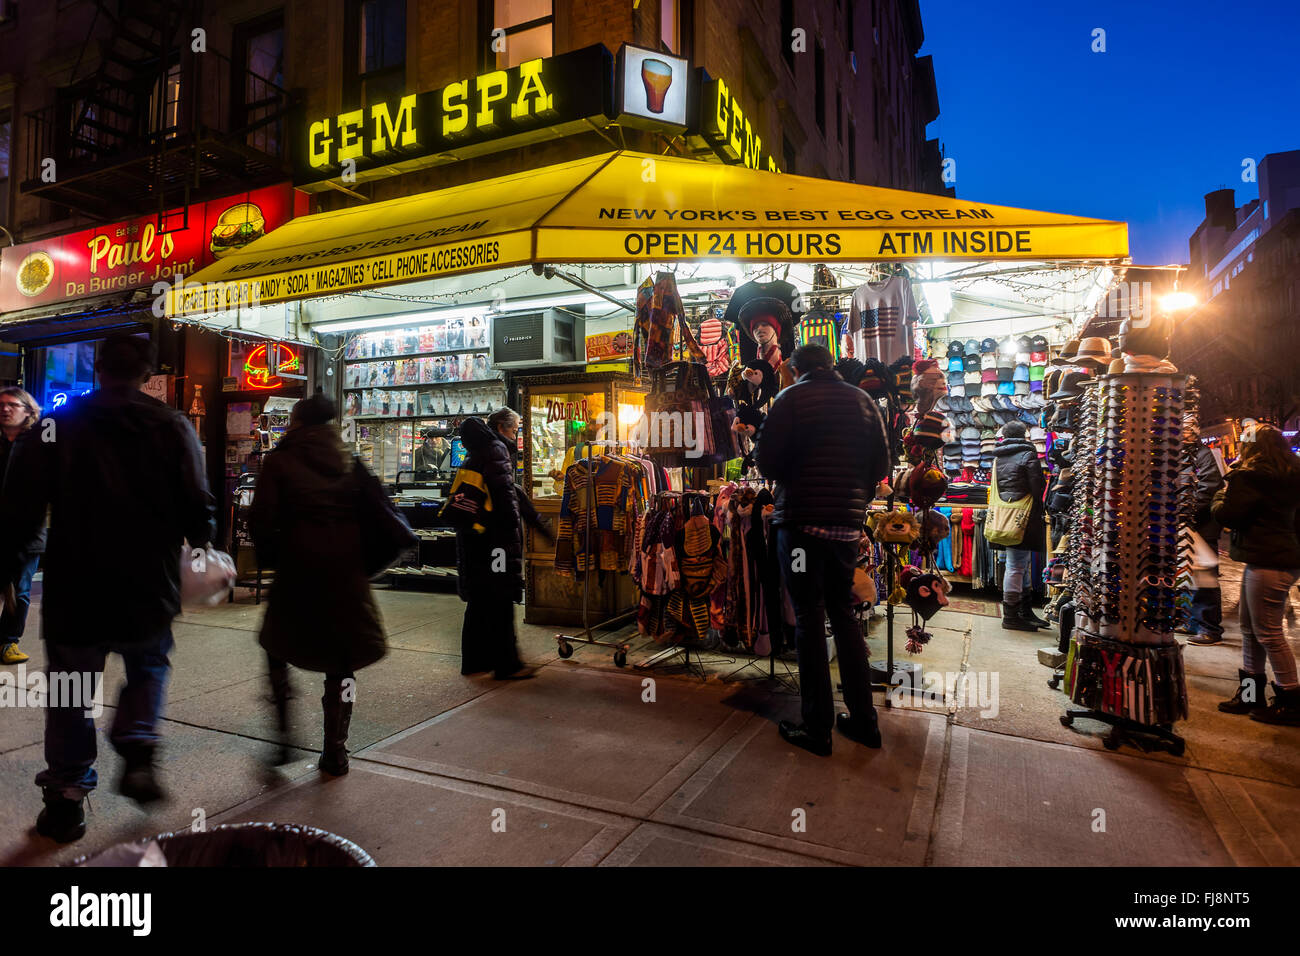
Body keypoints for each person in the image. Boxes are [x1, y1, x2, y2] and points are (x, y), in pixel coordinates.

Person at [0, 334, 215, 843]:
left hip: (78, 581)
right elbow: (198, 504)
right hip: (148, 579)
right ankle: (138, 739)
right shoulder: (171, 424)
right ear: (147, 373)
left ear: (97, 369)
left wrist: (9, 566)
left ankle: (66, 801)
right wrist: (203, 549)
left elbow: (19, 507)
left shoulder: (56, 424)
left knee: (72, 689)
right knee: (149, 663)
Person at [755, 344, 890, 756]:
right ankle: (865, 722)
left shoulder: (790, 398)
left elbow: (767, 464)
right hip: (846, 531)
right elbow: (881, 466)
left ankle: (817, 728)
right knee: (843, 616)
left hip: (801, 530)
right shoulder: (864, 401)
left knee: (809, 620)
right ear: (830, 367)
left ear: (795, 370)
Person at [251, 392, 387, 775]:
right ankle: (336, 750)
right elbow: (380, 516)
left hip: (297, 570)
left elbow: (261, 523)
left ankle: (283, 739)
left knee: (275, 647)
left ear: (297, 421)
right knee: (341, 665)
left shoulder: (280, 461)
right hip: (345, 576)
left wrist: (278, 559)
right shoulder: (351, 462)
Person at [1211, 423, 1300, 725]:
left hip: (1266, 561)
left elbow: (1228, 514)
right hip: (1279, 558)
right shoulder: (1291, 476)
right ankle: (1251, 695)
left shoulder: (1248, 477)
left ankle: (1290, 699)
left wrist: (1221, 494)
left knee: (1268, 632)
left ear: (1249, 447)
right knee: (1251, 629)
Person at [455, 407, 551, 679]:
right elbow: (506, 498)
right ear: (500, 428)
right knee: (500, 598)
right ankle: (507, 665)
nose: (516, 434)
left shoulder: (475, 455)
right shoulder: (496, 451)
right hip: (495, 543)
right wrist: (515, 537)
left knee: (480, 600)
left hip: (475, 539)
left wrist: (534, 520)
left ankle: (474, 663)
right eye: (515, 429)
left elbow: (511, 493)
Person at [0, 387, 45, 665]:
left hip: (27, 533)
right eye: (1, 404)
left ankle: (7, 642)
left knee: (20, 591)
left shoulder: (40, 443)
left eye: (12, 404)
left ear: (29, 410)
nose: (4, 409)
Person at [991, 420, 1048, 631]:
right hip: (1024, 516)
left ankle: (1024, 612)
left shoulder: (998, 457)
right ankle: (1011, 616)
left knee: (1020, 565)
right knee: (1016, 566)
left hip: (1006, 515)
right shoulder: (1027, 455)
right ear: (1025, 435)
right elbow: (1037, 487)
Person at [1182, 416, 1225, 645]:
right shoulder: (1184, 455)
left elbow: (1209, 488)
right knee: (1188, 579)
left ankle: (1209, 628)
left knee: (1205, 580)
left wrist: (1186, 513)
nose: (1183, 434)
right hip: (1187, 526)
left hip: (1201, 527)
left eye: (1187, 430)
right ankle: (1193, 622)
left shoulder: (1203, 455)